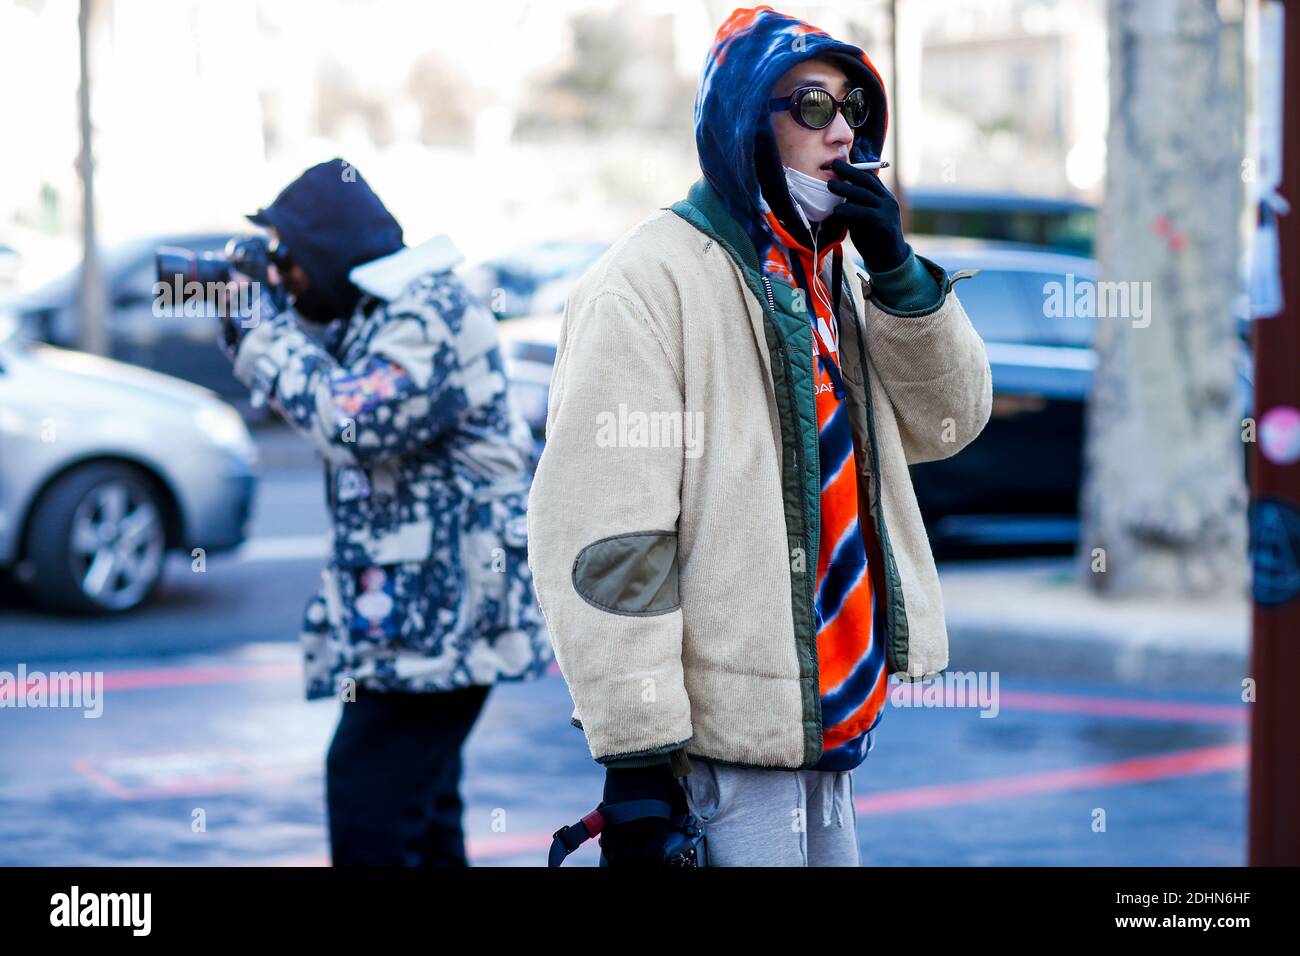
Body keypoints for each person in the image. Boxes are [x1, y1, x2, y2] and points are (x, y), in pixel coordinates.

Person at [527, 6, 992, 866]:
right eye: (810, 107)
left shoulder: (831, 277)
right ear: (742, 122)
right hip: (721, 747)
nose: (842, 129)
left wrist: (897, 271)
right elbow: (608, 538)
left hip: (827, 725)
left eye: (853, 107)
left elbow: (950, 420)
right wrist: (635, 761)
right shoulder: (645, 284)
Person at [221, 158, 551, 866]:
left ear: (326, 252)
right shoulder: (385, 309)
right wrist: (267, 316)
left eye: (289, 257)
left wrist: (260, 332)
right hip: (418, 621)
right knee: (422, 814)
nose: (284, 275)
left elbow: (352, 422)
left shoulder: (428, 310)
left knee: (367, 798)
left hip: (442, 618)